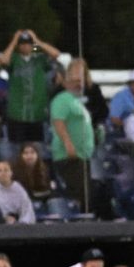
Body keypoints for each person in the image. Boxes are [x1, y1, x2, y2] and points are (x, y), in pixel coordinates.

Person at [0, 30, 60, 143]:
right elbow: (3, 60)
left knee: (36, 148)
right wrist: (13, 41)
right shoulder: (14, 58)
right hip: (17, 114)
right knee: (17, 149)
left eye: (28, 43)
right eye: (22, 43)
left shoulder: (39, 58)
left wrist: (37, 41)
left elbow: (56, 54)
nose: (25, 46)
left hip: (36, 113)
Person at [49, 62, 94, 210]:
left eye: (80, 81)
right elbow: (58, 122)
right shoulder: (62, 99)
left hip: (82, 157)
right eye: (74, 81)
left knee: (86, 197)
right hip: (69, 158)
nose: (78, 84)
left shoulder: (77, 101)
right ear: (66, 82)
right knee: (78, 196)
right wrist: (68, 144)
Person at [0, 159, 36, 224]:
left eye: (6, 170)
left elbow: (27, 209)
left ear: (11, 172)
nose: (3, 173)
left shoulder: (18, 188)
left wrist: (21, 223)